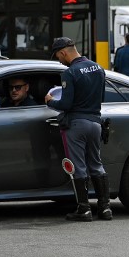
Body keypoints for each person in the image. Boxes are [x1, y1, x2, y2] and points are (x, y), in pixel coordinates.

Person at [46, 37, 112, 222]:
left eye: (58, 56)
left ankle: (84, 209)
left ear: (63, 52)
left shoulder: (70, 73)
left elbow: (66, 104)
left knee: (79, 168)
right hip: (95, 122)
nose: (59, 60)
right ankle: (105, 208)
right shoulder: (98, 68)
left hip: (76, 125)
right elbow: (101, 97)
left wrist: (51, 101)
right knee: (96, 164)